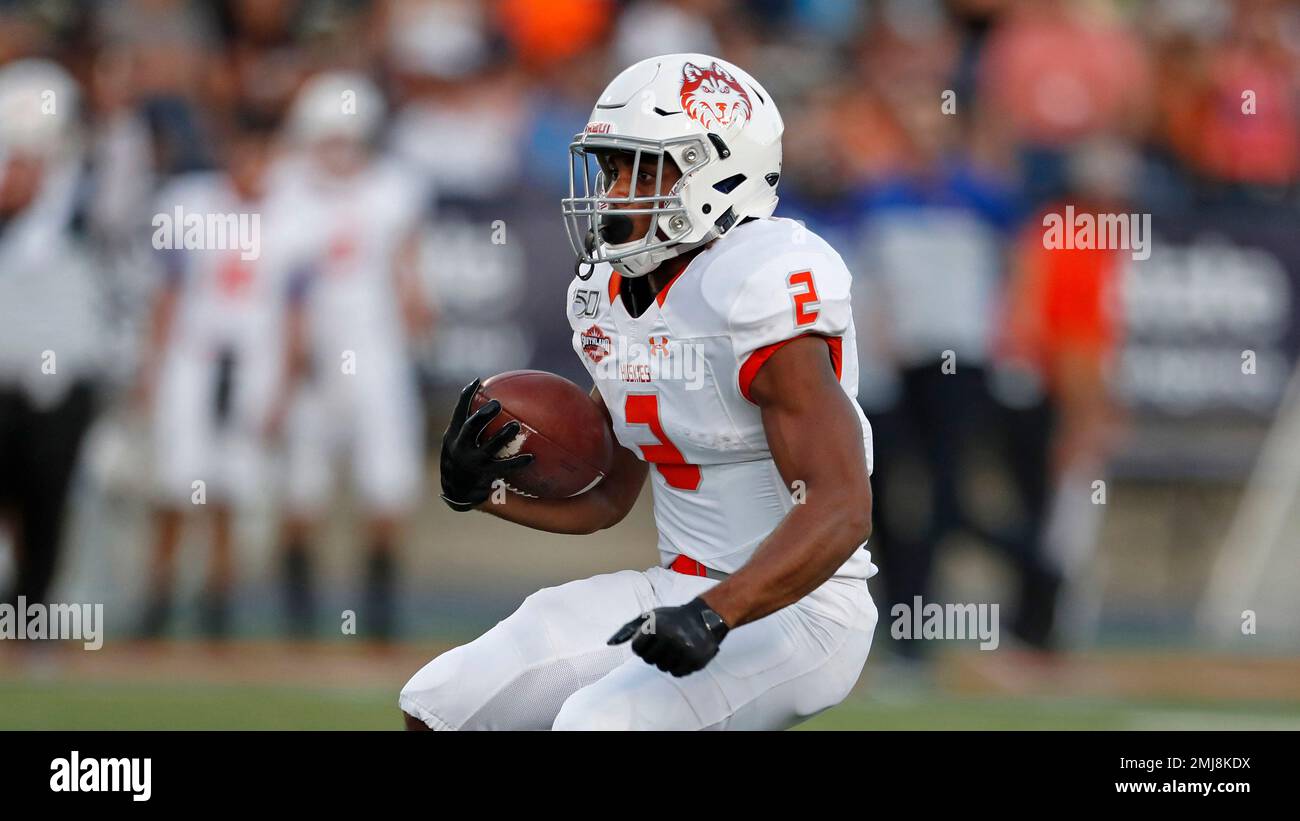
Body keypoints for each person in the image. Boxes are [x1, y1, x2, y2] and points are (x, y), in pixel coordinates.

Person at [400, 53, 878, 731]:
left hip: (799, 607)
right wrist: (487, 493)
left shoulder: (759, 282)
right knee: (442, 701)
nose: (615, 191)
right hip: (679, 587)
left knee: (599, 723)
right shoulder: (610, 296)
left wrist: (718, 611)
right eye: (612, 167)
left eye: (643, 169)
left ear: (720, 170)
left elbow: (840, 508)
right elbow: (606, 497)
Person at [268, 71, 432, 640]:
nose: (338, 151)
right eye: (328, 138)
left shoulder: (392, 188)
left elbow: (408, 269)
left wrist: (416, 310)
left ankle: (379, 616)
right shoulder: (287, 188)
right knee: (301, 489)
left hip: (376, 351)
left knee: (386, 485)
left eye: (347, 138)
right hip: (312, 358)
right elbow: (282, 286)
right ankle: (299, 623)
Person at [134, 110, 284, 638]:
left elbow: (295, 311)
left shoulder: (293, 215)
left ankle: (218, 605)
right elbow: (167, 293)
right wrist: (151, 366)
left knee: (231, 488)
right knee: (177, 483)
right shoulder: (192, 206)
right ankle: (158, 596)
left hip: (252, 363)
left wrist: (283, 384)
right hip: (193, 357)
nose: (252, 168)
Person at [0, 60, 103, 612]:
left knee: (47, 503)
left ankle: (31, 614)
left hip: (64, 377)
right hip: (5, 373)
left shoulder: (88, 196)